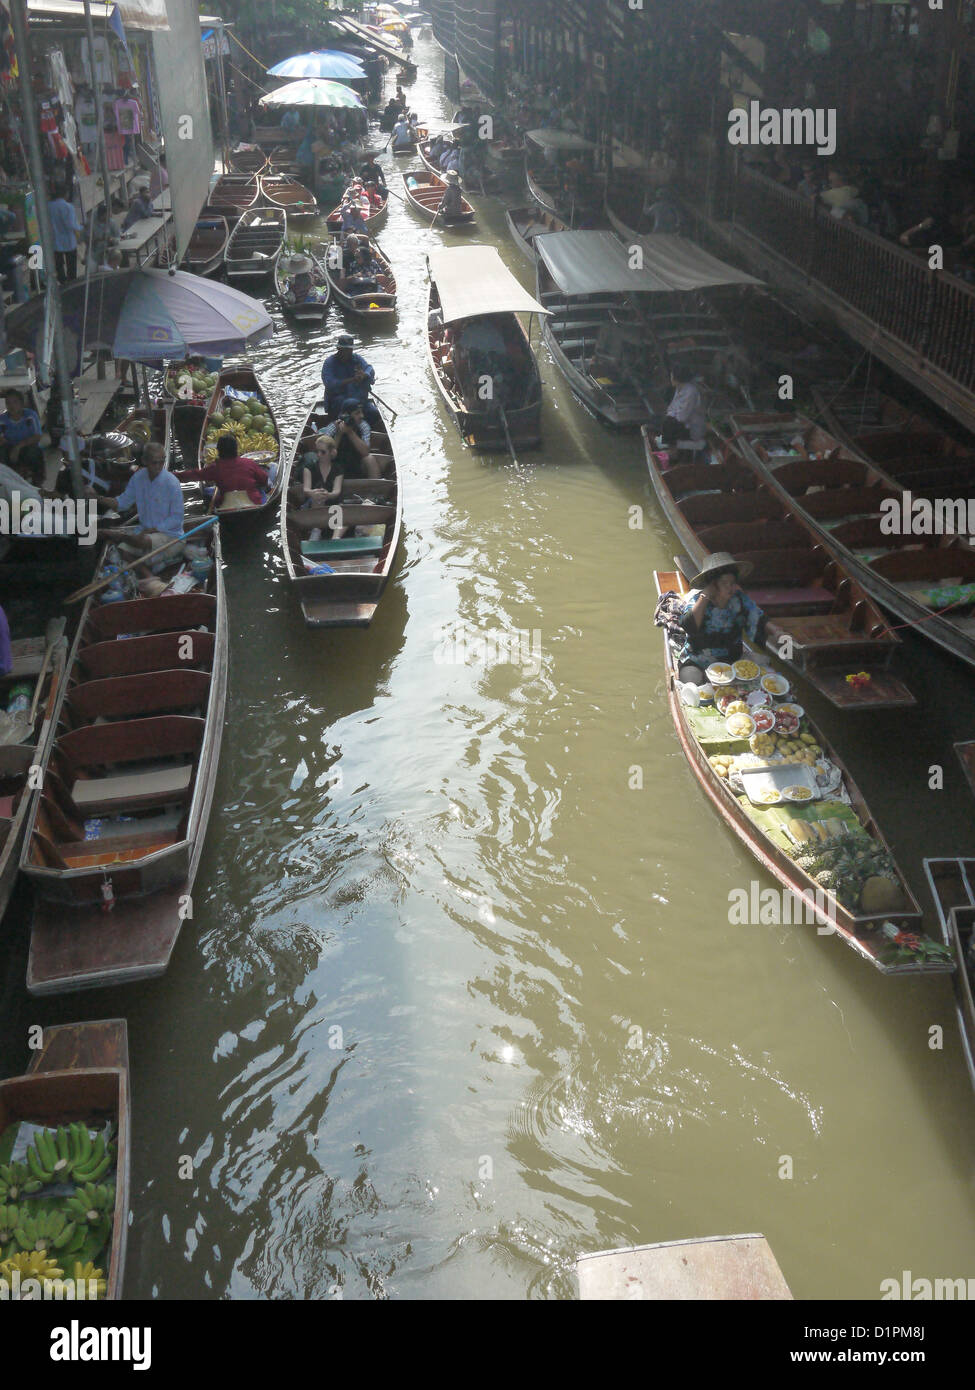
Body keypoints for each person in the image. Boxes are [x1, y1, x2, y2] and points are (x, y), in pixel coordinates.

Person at [675, 552, 766, 686]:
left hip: (733, 662)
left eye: (732, 583)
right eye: (725, 583)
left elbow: (757, 618)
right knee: (691, 682)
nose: (730, 587)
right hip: (698, 661)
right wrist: (705, 596)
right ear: (712, 585)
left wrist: (778, 632)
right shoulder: (698, 601)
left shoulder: (738, 600)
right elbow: (689, 626)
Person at [93, 441, 186, 572]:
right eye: (155, 462)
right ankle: (149, 575)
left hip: (170, 537)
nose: (159, 467)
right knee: (121, 550)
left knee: (141, 541)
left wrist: (152, 530)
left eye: (162, 462)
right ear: (145, 461)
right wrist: (97, 498)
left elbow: (177, 518)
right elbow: (121, 503)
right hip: (144, 533)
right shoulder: (138, 477)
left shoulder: (172, 483)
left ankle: (116, 535)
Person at [175, 434, 269, 508]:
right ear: (236, 449)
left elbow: (193, 475)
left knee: (208, 491)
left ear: (219, 451)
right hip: (253, 502)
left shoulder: (215, 468)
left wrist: (172, 475)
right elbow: (264, 479)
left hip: (226, 505)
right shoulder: (248, 463)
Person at [317, 399, 382, 479]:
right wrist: (339, 434)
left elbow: (365, 452)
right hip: (336, 464)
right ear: (346, 415)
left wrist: (350, 432)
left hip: (357, 463)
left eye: (361, 412)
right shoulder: (334, 427)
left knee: (370, 459)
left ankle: (376, 489)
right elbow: (326, 455)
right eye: (357, 413)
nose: (362, 416)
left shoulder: (363, 426)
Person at [321, 335, 378, 422]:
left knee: (374, 413)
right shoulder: (330, 362)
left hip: (358, 400)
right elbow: (329, 383)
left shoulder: (357, 358)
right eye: (345, 350)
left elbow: (369, 368)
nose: (348, 352)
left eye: (350, 350)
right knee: (346, 417)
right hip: (338, 401)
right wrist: (352, 380)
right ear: (339, 349)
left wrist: (364, 375)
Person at [0, 389, 44, 485]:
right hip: (9, 448)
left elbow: (37, 436)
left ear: (21, 403)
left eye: (15, 402)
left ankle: (37, 481)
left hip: (27, 447)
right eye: (8, 403)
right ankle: (4, 481)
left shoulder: (30, 415)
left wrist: (18, 447)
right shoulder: (2, 419)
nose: (11, 406)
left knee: (33, 452)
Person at [659, 362, 706, 447]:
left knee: (668, 423)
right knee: (663, 420)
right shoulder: (679, 388)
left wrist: (671, 415)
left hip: (691, 428)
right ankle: (668, 447)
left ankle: (672, 451)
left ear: (677, 377)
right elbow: (671, 408)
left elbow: (682, 417)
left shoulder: (691, 392)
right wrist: (671, 415)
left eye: (671, 376)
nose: (671, 378)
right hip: (682, 424)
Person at [49, 187, 82, 282]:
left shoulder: (48, 206)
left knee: (58, 265)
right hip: (69, 240)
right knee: (71, 265)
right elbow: (71, 224)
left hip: (54, 240)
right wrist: (81, 228)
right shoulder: (68, 206)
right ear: (65, 194)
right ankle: (72, 282)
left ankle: (62, 282)